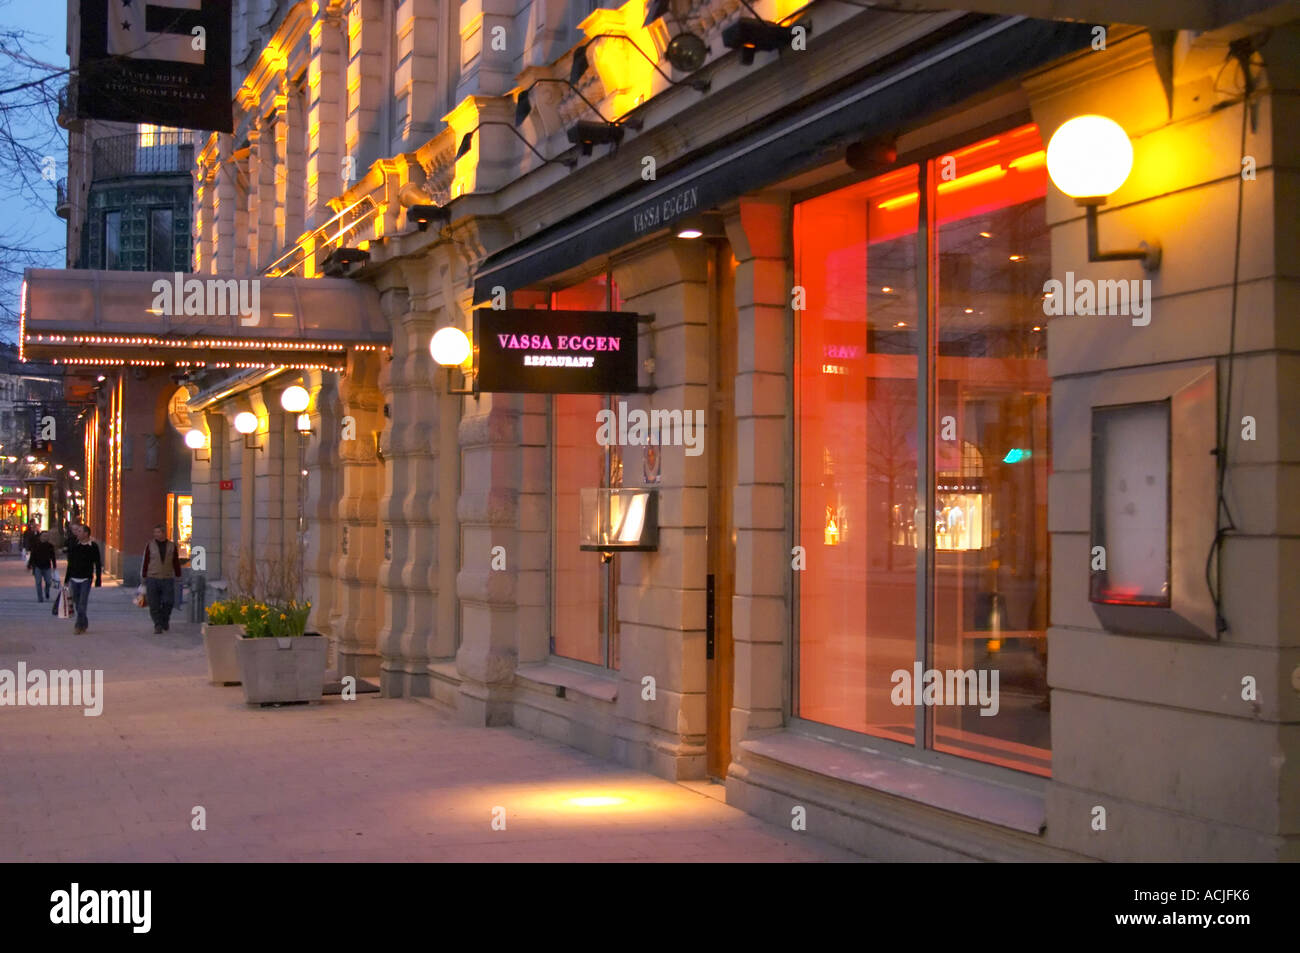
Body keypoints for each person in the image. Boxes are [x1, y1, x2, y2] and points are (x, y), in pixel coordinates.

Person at [62, 523, 102, 635]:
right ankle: (84, 622)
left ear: (86, 533)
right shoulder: (75, 546)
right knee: (76, 602)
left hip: (86, 579)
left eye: (79, 531)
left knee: (82, 603)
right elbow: (70, 564)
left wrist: (98, 579)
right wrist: (66, 579)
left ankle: (78, 626)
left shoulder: (93, 546)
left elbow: (98, 563)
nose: (77, 533)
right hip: (74, 578)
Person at [141, 524, 182, 634]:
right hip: (152, 577)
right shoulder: (150, 545)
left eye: (158, 532)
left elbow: (176, 561)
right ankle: (158, 624)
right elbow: (146, 561)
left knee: (168, 601)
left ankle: (164, 619)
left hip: (167, 577)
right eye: (155, 532)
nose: (155, 534)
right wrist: (144, 576)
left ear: (164, 533)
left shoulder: (172, 546)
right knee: (153, 603)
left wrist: (178, 574)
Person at [30, 531, 57, 602]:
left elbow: (53, 556)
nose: (45, 537)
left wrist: (54, 565)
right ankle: (40, 598)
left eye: (47, 536)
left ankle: (47, 591)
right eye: (44, 536)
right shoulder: (36, 545)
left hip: (47, 566)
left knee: (48, 582)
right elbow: (32, 555)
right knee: (38, 582)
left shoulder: (50, 546)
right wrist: (29, 564)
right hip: (37, 566)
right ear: (40, 537)